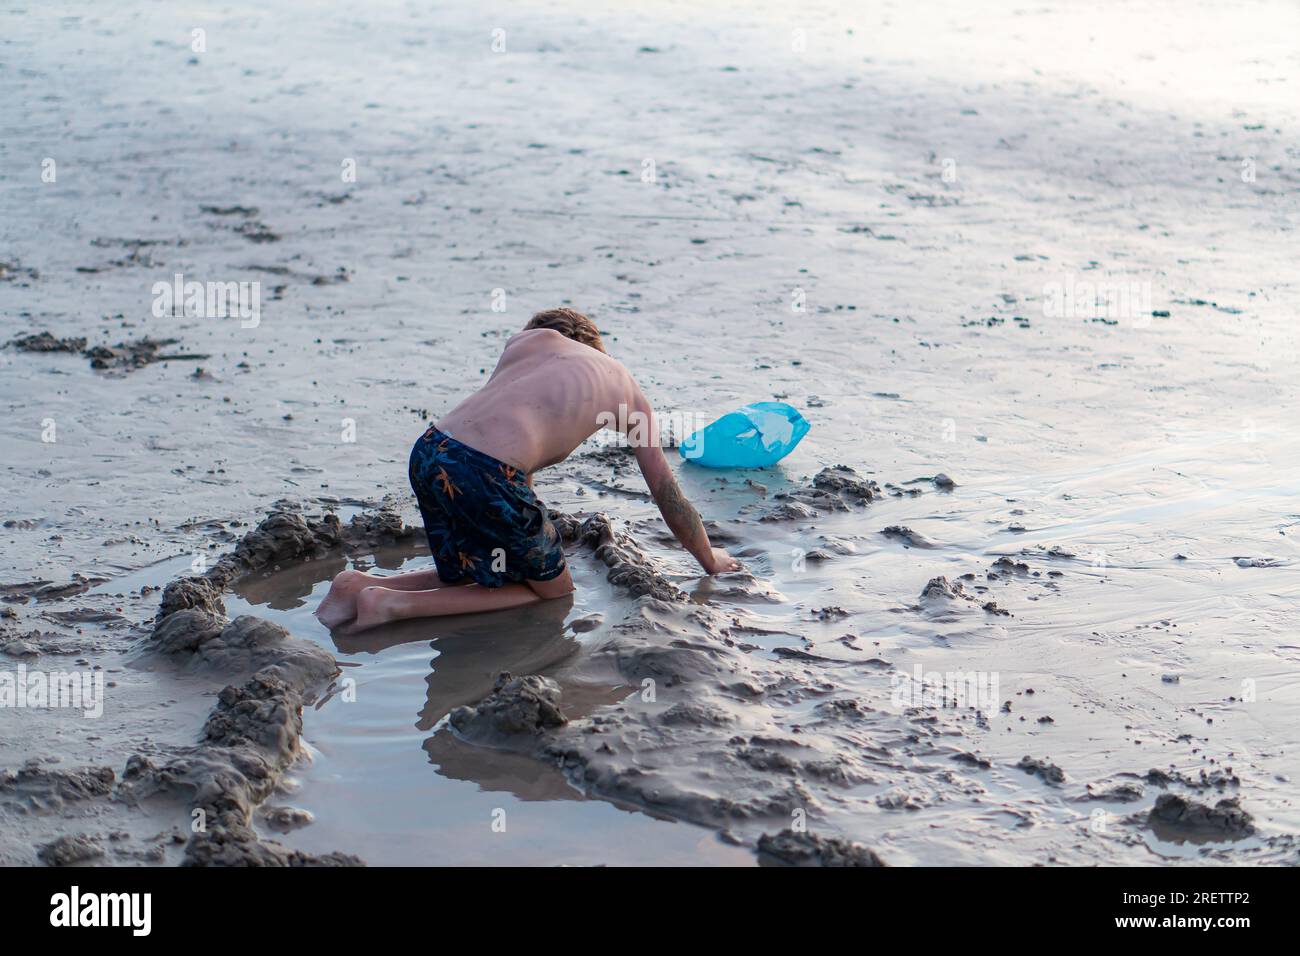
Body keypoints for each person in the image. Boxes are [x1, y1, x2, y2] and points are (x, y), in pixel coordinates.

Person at [315, 307, 740, 632]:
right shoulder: (623, 385)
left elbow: (503, 433)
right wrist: (709, 558)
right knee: (555, 593)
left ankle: (355, 585)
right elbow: (667, 493)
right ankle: (388, 605)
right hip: (488, 472)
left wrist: (530, 532)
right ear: (596, 347)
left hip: (431, 451)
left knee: (485, 571)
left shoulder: (523, 346)